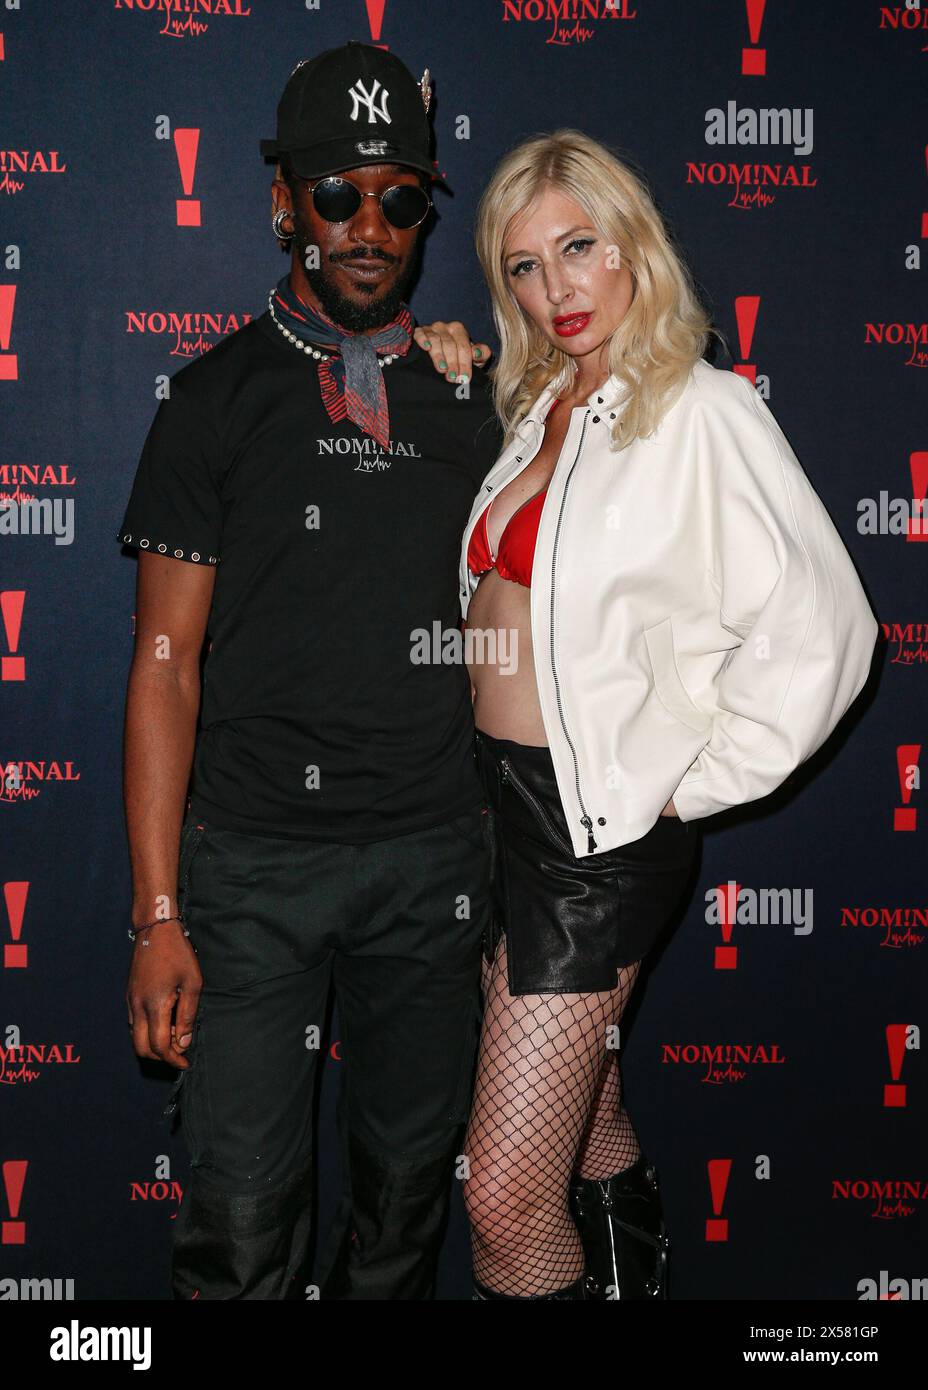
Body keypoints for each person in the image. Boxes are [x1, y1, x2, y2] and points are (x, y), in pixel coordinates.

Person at [421, 128, 879, 1301]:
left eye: (577, 248)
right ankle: (638, 1270)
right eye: (523, 264)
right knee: (586, 1110)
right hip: (499, 806)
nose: (553, 287)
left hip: (598, 842)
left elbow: (828, 625)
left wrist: (686, 782)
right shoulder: (540, 406)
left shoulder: (703, 409)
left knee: (507, 1199)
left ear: (632, 247)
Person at [117, 41, 503, 1300]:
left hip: (432, 869)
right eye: (338, 194)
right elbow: (166, 666)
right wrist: (161, 912)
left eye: (400, 197)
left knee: (400, 1222)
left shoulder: (479, 395)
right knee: (236, 1233)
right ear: (283, 201)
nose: (369, 226)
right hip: (250, 874)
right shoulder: (213, 398)